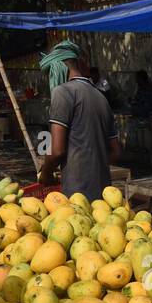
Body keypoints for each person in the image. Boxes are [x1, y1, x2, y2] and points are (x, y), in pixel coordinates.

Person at [38, 40, 120, 200]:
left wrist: (45, 174)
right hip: (104, 193)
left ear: (58, 68)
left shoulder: (62, 93)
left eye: (50, 74)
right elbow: (116, 152)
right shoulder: (101, 97)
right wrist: (94, 167)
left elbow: (57, 151)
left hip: (76, 192)